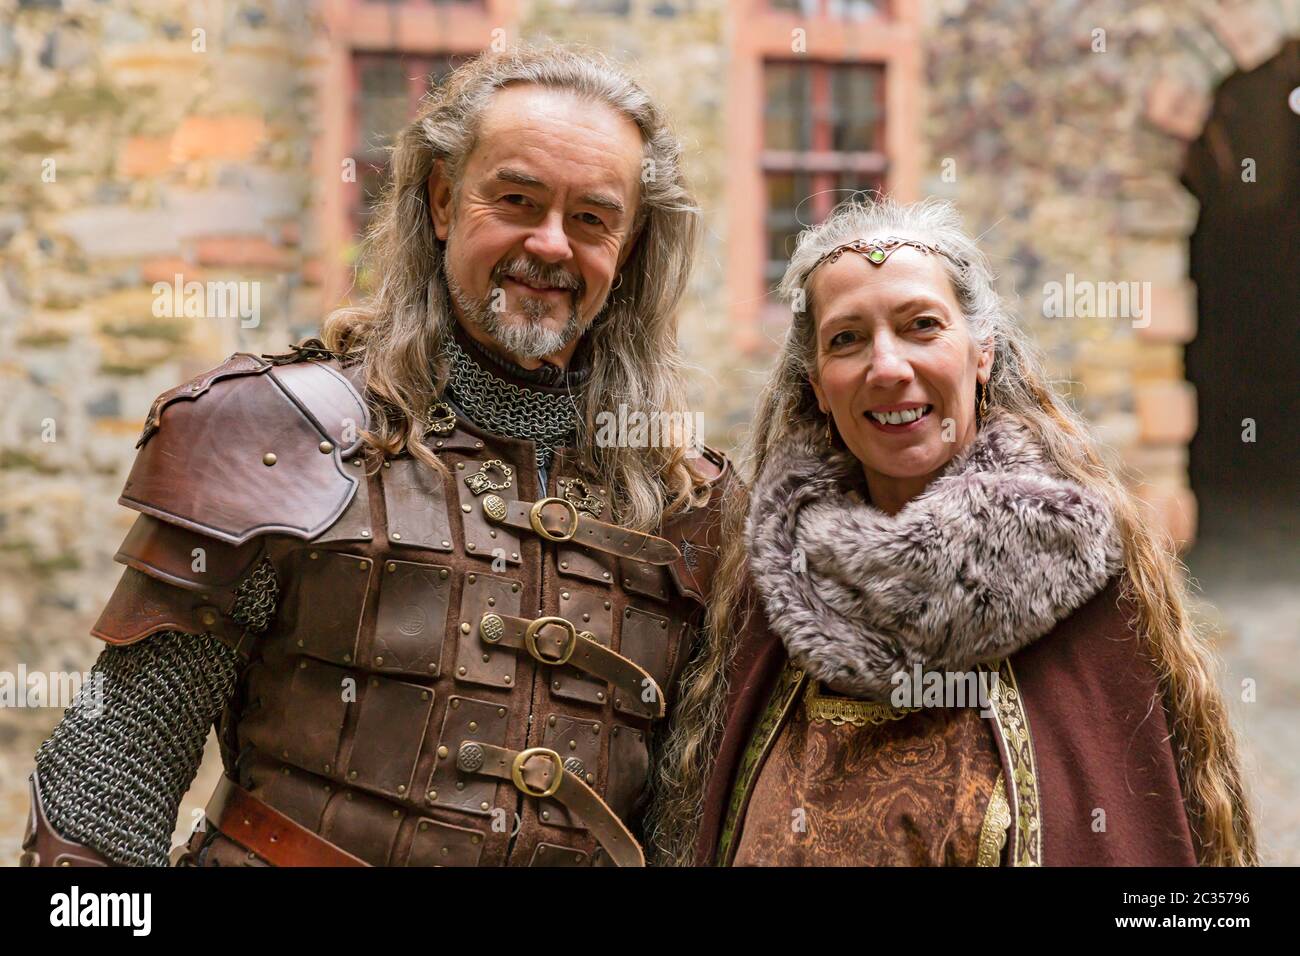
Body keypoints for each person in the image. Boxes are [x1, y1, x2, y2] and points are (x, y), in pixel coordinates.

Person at [23, 43, 731, 868]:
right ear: (440, 201)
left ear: (631, 245)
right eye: (515, 199)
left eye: (591, 219)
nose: (550, 245)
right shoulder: (277, 436)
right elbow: (103, 794)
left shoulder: (687, 505)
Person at [651, 196, 1256, 866]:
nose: (887, 368)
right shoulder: (768, 588)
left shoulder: (1082, 582)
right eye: (846, 338)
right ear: (819, 385)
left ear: (981, 354)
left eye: (921, 326)